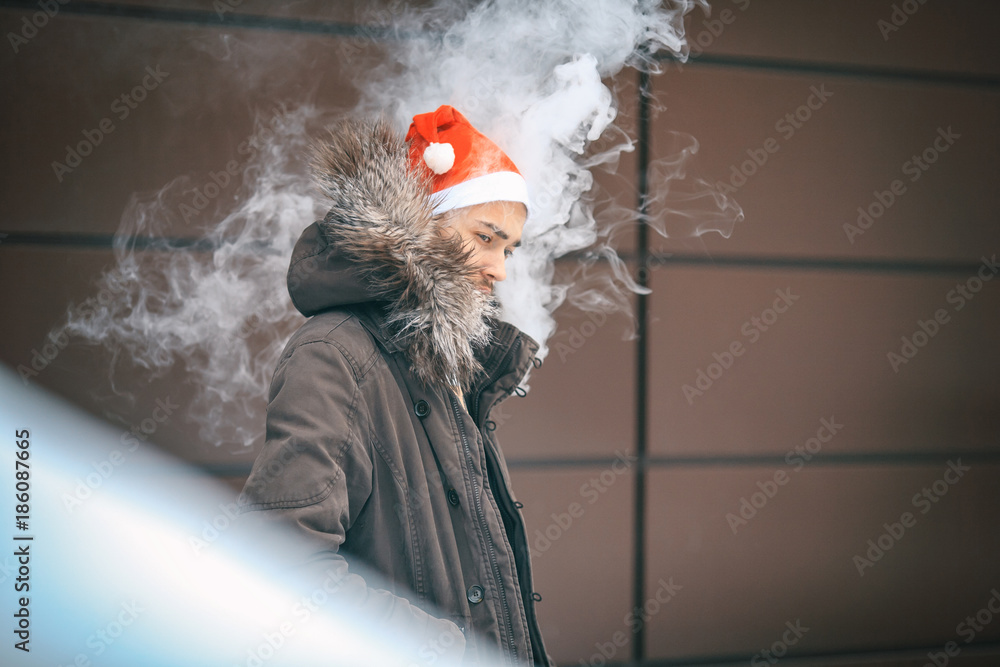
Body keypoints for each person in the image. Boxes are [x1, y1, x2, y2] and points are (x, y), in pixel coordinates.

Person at [237, 105, 553, 666]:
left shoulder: (450, 362)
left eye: (509, 248)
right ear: (422, 223)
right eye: (486, 237)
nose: (500, 269)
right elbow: (278, 569)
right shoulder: (331, 355)